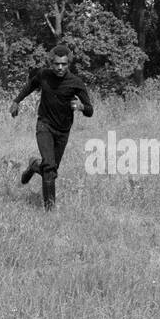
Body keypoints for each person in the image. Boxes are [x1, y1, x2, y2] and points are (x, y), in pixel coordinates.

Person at [11, 44, 94, 210]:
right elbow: (30, 85)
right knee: (49, 166)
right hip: (44, 125)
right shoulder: (43, 75)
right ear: (51, 63)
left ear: (68, 63)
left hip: (63, 131)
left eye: (63, 64)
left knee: (51, 170)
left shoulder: (75, 83)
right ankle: (49, 210)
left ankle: (34, 165)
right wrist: (16, 101)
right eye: (56, 64)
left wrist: (81, 107)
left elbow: (90, 110)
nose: (60, 67)